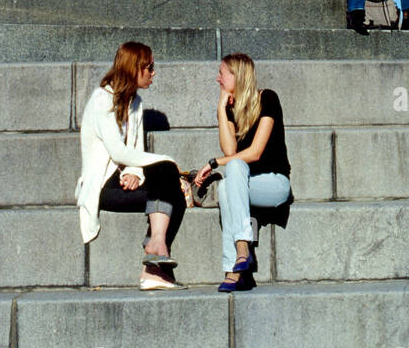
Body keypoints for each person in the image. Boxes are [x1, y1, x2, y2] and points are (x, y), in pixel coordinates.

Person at [76, 41, 186, 292]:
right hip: (102, 187)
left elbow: (135, 151)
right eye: (149, 67)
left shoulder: (136, 103)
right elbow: (117, 151)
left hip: (122, 178)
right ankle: (155, 266)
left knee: (171, 189)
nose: (153, 73)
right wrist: (167, 161)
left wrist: (134, 172)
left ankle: (155, 251)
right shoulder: (101, 99)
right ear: (133, 68)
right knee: (168, 174)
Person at [193, 54, 291, 292]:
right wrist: (221, 110)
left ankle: (237, 256)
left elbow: (255, 153)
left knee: (234, 167)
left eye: (222, 73)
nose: (217, 79)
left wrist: (214, 163)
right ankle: (237, 262)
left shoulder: (267, 98)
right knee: (227, 184)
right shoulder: (230, 107)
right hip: (244, 183)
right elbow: (230, 150)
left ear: (237, 75)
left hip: (273, 183)